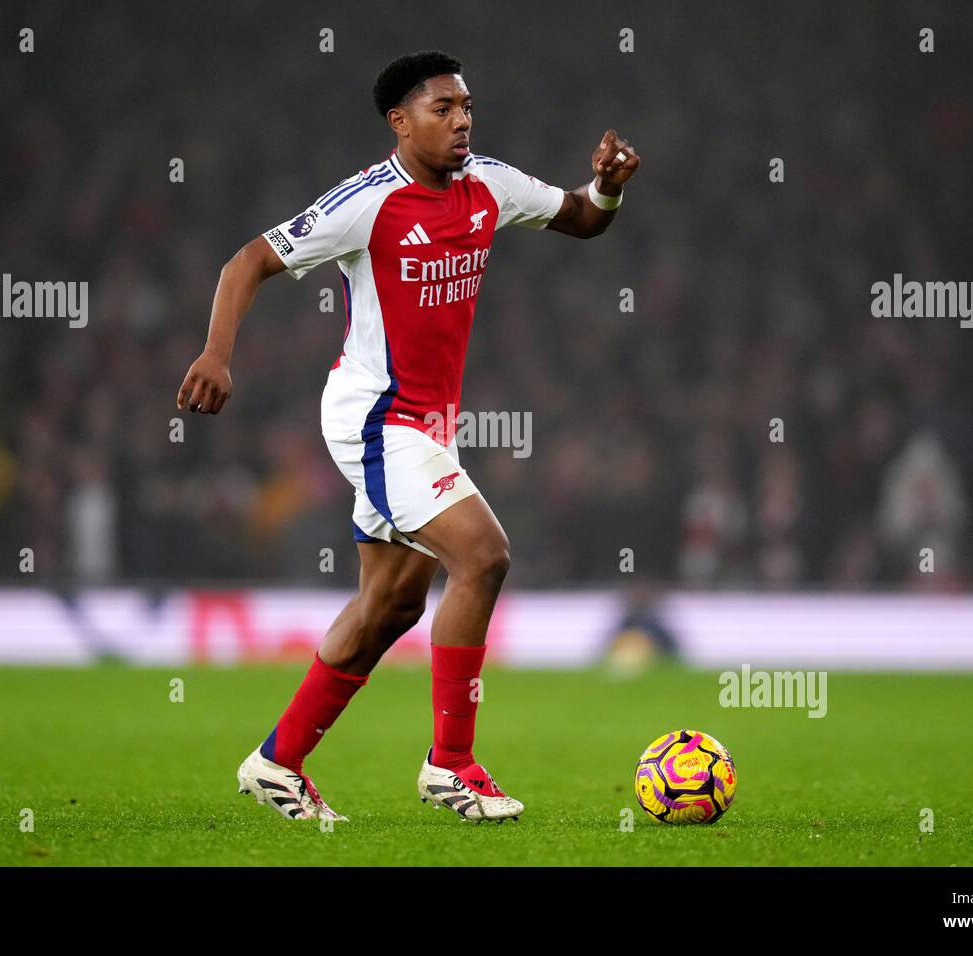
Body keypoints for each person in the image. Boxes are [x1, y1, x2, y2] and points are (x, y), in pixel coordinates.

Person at [176, 50, 639, 823]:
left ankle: (276, 762)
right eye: (442, 108)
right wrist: (217, 353)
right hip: (374, 418)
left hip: (428, 430)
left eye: (466, 107)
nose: (461, 120)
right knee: (485, 555)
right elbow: (248, 259)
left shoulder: (491, 182)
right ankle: (450, 766)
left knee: (390, 606)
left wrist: (608, 189)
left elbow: (580, 218)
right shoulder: (369, 201)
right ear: (400, 121)